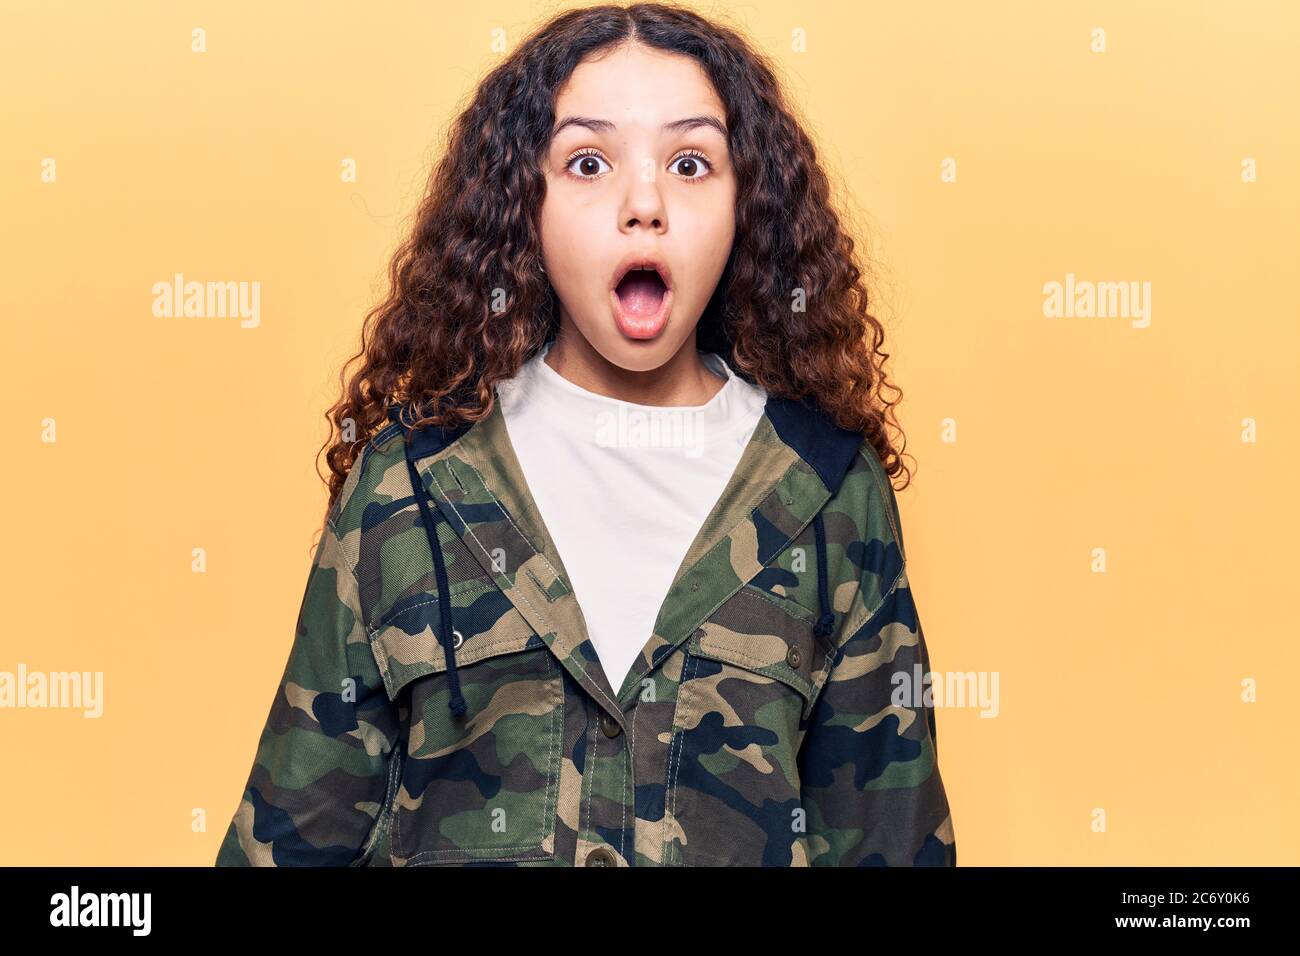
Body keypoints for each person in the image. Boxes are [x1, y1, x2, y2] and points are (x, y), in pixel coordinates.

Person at [215, 2, 955, 867]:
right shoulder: (410, 483)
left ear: (746, 203)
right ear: (522, 205)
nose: (644, 205)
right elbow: (289, 842)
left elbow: (892, 844)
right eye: (588, 162)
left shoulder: (829, 492)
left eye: (689, 163)